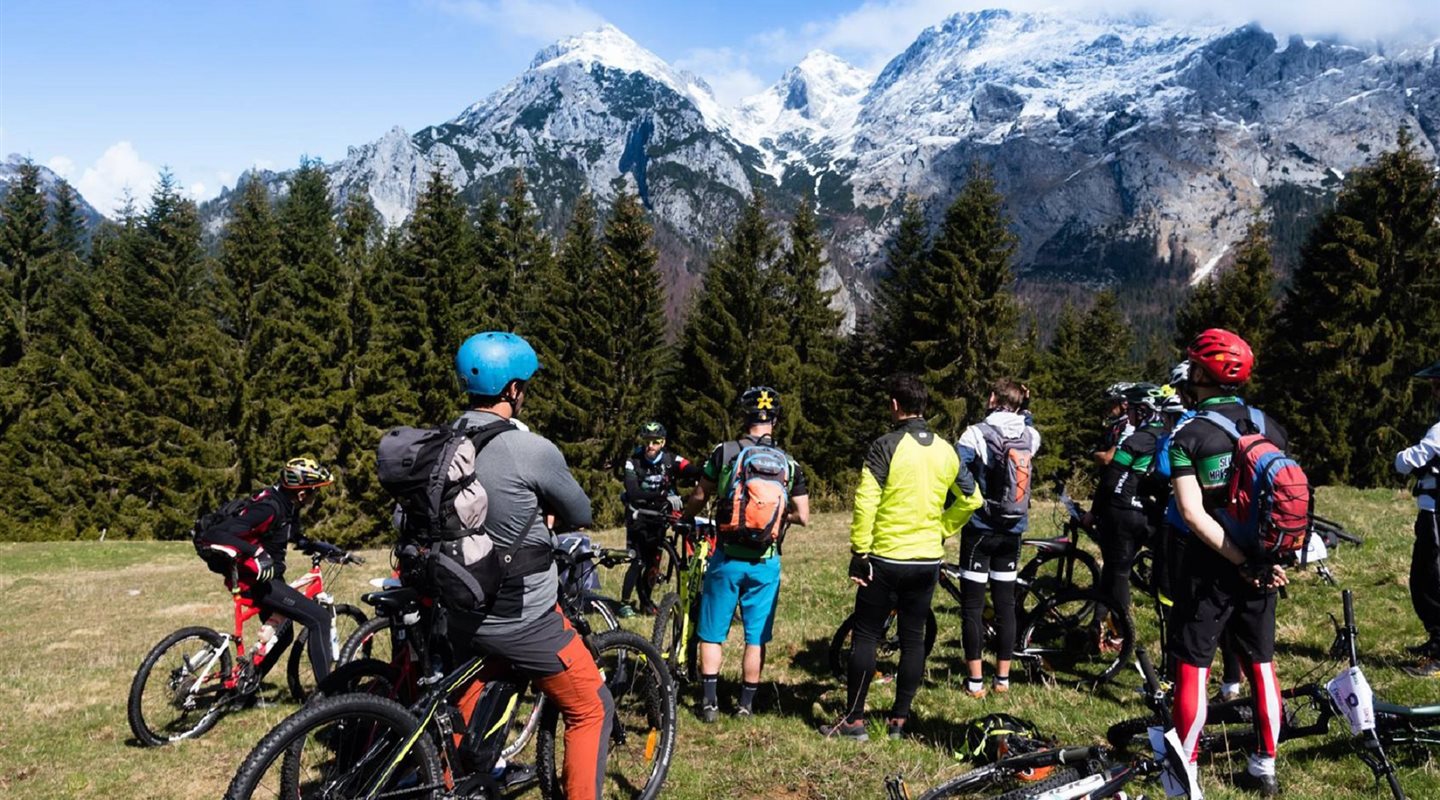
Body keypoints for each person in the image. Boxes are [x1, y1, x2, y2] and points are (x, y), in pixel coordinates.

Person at [444, 331, 613, 800]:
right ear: (512, 389)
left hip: (458, 607)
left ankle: (461, 783)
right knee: (591, 707)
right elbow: (580, 513)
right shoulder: (530, 449)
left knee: (469, 699)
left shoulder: (443, 439)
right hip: (519, 614)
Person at [820, 373, 981, 741]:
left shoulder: (885, 445)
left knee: (865, 637)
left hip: (886, 557)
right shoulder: (947, 449)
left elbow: (866, 500)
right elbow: (972, 499)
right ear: (924, 406)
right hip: (927, 560)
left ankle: (855, 721)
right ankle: (899, 722)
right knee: (913, 639)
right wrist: (942, 527)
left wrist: (860, 551)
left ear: (895, 405)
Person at [1166, 328, 1289, 796]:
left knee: (1193, 665)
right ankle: (1264, 767)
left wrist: (1236, 559)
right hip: (1263, 565)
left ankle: (1188, 771)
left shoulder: (1188, 434)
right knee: (1261, 664)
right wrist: (1266, 560)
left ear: (1201, 374)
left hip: (1210, 565)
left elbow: (1192, 514)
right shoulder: (1269, 425)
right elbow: (1283, 498)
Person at [683, 386, 809, 721]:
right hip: (765, 560)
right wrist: (782, 519)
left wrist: (685, 513)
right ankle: (745, 705)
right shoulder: (789, 462)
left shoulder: (723, 452)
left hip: (726, 556)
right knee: (756, 637)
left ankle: (709, 703)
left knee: (711, 631)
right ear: (775, 421)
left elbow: (700, 493)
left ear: (746, 418)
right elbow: (805, 515)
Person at [194, 457, 341, 688]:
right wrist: (256, 553)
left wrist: (323, 548)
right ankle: (331, 698)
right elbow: (214, 535)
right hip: (256, 582)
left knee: (283, 634)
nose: (316, 497)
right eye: (315, 491)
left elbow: (289, 535)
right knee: (319, 618)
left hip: (264, 578)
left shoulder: (286, 504)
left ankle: (246, 689)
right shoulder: (269, 508)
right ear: (303, 493)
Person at [955, 378, 1040, 698]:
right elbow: (1027, 425)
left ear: (992, 398)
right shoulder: (1030, 436)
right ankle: (1003, 680)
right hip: (1013, 530)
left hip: (980, 528)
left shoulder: (975, 433)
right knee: (1006, 606)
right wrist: (1024, 408)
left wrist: (972, 494)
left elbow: (956, 466)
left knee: (973, 608)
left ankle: (975, 683)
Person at [1087, 384, 1173, 640]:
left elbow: (1111, 478)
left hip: (1123, 511)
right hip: (1154, 511)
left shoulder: (1137, 439)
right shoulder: (1168, 434)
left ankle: (1122, 633)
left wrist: (1094, 512)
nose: (1131, 416)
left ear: (1142, 410)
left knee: (1118, 571)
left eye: (1134, 410)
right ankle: (1099, 621)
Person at [619, 421, 695, 618]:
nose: (650, 446)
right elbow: (634, 492)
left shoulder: (670, 460)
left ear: (663, 442)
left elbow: (693, 470)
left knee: (654, 562)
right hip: (638, 516)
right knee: (637, 560)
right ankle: (625, 603)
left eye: (655, 442)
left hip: (659, 517)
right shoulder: (633, 461)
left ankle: (645, 602)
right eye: (647, 441)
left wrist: (709, 470)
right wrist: (664, 496)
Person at [1396, 359, 1440, 674]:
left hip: (1436, 511)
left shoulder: (1439, 430)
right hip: (1433, 508)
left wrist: (1402, 456)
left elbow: (1406, 461)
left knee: (1430, 578)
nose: (1434, 392)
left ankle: (1439, 654)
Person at [1093, 382, 1136, 465]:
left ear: (1124, 404)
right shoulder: (1117, 423)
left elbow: (1107, 458)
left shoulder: (1129, 425)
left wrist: (1094, 455)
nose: (1108, 406)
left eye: (1112, 403)